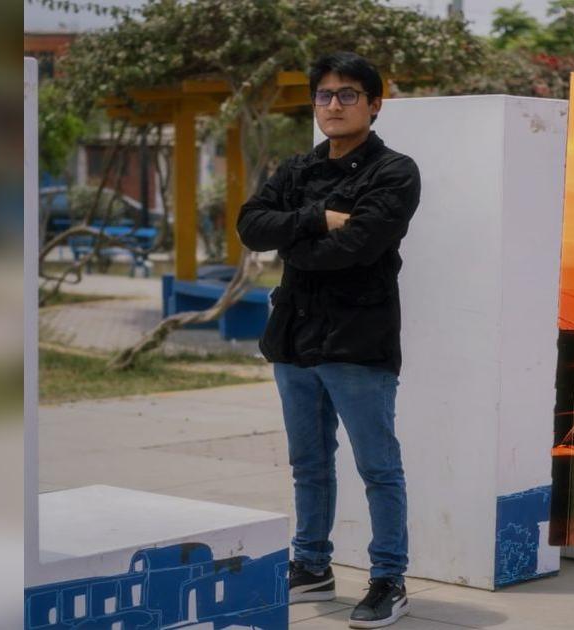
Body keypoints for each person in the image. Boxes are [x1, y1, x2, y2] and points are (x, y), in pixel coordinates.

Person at [236, 51, 420, 629]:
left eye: (347, 95)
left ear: (374, 104)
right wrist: (320, 218)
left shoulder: (395, 171)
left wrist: (294, 236)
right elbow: (250, 225)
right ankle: (312, 565)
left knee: (378, 468)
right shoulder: (298, 168)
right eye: (324, 95)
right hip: (294, 338)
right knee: (308, 464)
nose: (333, 105)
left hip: (357, 342)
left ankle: (389, 579)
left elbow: (358, 247)